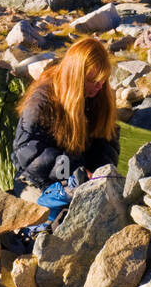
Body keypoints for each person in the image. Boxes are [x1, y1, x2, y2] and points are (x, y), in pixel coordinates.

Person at [12, 36, 120, 187]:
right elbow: (30, 155)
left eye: (103, 80)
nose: (99, 86)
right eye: (92, 80)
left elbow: (107, 142)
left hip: (78, 178)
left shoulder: (98, 96)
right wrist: (75, 172)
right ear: (76, 77)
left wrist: (99, 172)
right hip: (37, 181)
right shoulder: (42, 100)